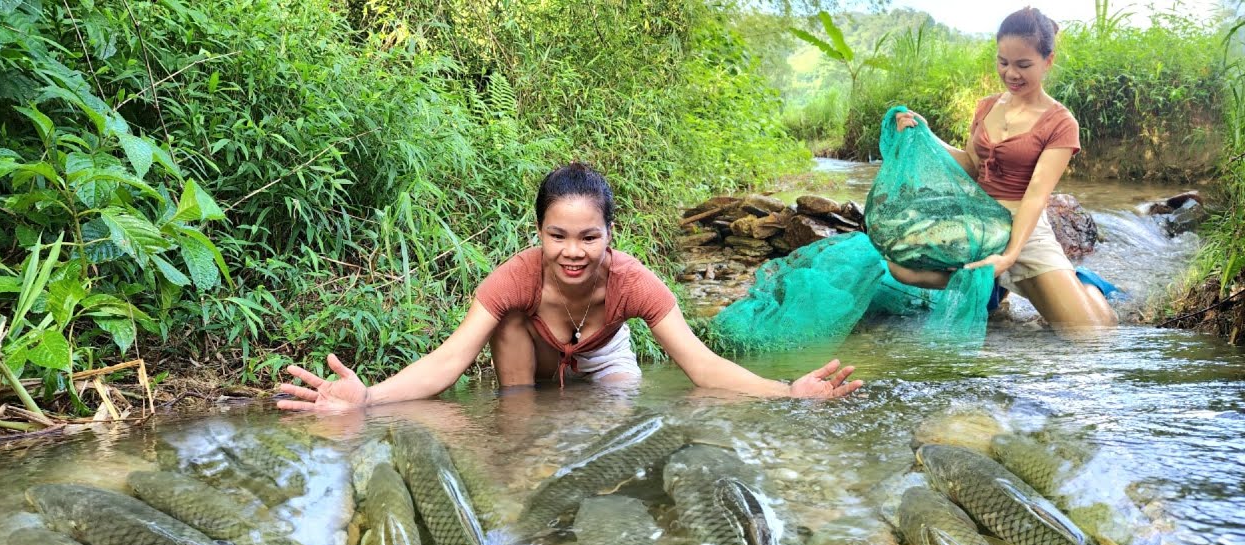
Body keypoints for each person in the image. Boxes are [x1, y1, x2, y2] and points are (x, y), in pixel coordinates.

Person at [277, 163, 862, 411]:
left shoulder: (636, 283)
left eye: (589, 236)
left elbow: (701, 366)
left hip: (605, 357)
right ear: (539, 233)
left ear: (610, 235)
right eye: (558, 236)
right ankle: (519, 421)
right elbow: (451, 358)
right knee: (507, 325)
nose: (573, 252)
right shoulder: (515, 276)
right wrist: (370, 399)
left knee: (611, 421)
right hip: (530, 356)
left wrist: (787, 393)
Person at [886, 7, 1118, 329]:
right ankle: (994, 287)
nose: (1011, 74)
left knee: (1092, 334)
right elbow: (970, 165)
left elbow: (1036, 196)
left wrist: (1008, 257)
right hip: (979, 222)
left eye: (1023, 65)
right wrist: (926, 134)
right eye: (1003, 62)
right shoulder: (986, 107)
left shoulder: (1061, 123)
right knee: (901, 266)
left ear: (1047, 62)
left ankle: (1088, 284)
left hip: (1025, 226)